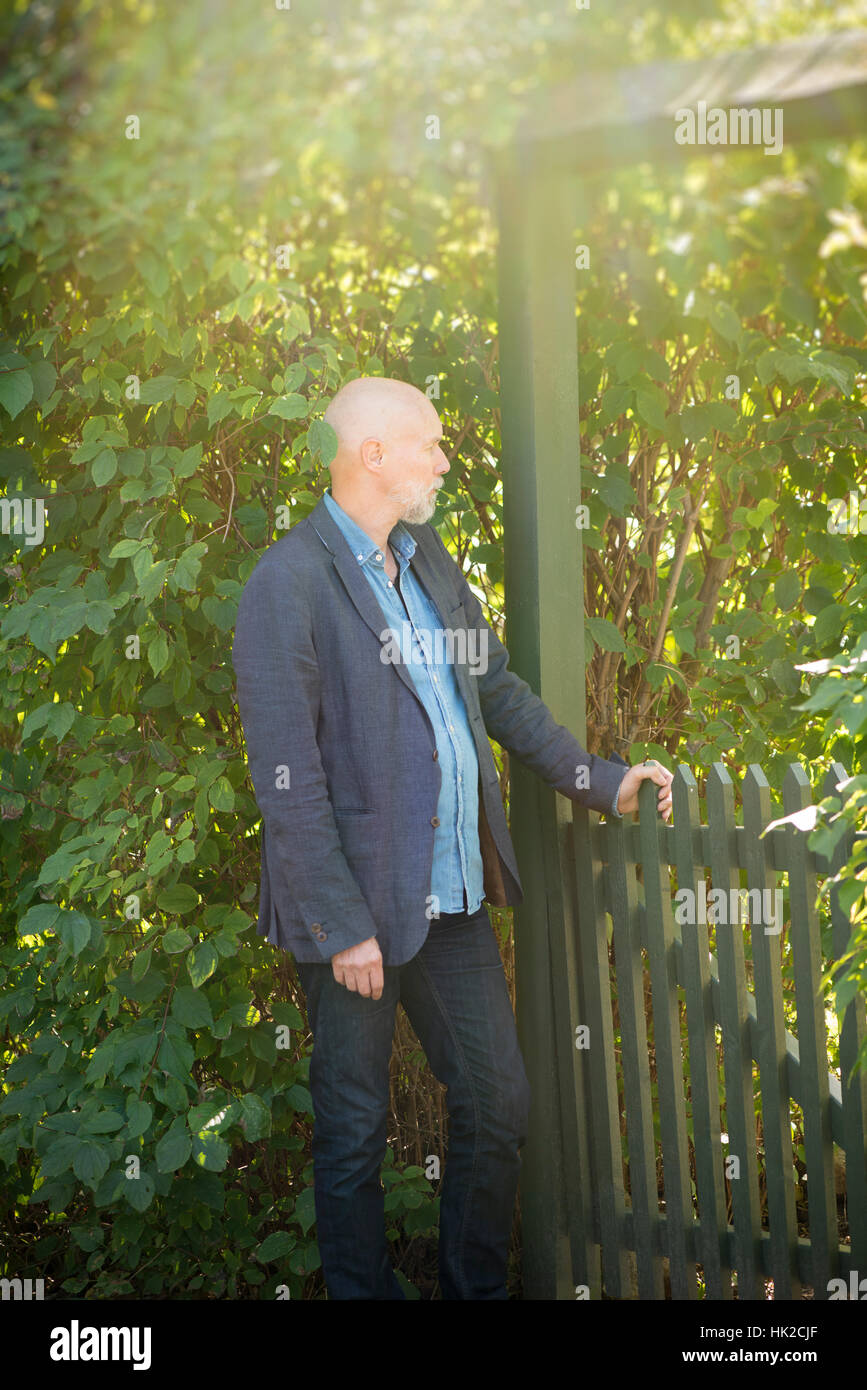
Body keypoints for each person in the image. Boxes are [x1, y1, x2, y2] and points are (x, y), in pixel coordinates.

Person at [231, 375, 673, 1300]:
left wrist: (599, 779)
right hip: (356, 909)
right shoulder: (289, 583)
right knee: (352, 1129)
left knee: (498, 1104)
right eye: (428, 443)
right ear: (372, 455)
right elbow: (286, 779)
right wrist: (340, 922)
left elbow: (497, 691)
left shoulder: (426, 558)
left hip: (455, 894)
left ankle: (474, 1291)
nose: (443, 459)